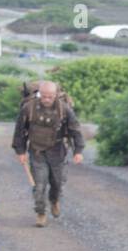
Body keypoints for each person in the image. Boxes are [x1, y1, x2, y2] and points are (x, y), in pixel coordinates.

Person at [12, 81, 84, 227]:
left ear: (55, 95)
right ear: (39, 94)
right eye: (43, 96)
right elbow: (19, 131)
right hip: (37, 151)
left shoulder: (64, 109)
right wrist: (20, 151)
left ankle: (54, 200)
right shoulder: (29, 108)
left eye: (50, 97)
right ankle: (41, 213)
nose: (46, 100)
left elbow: (75, 129)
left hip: (57, 152)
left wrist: (78, 151)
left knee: (57, 183)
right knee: (39, 184)